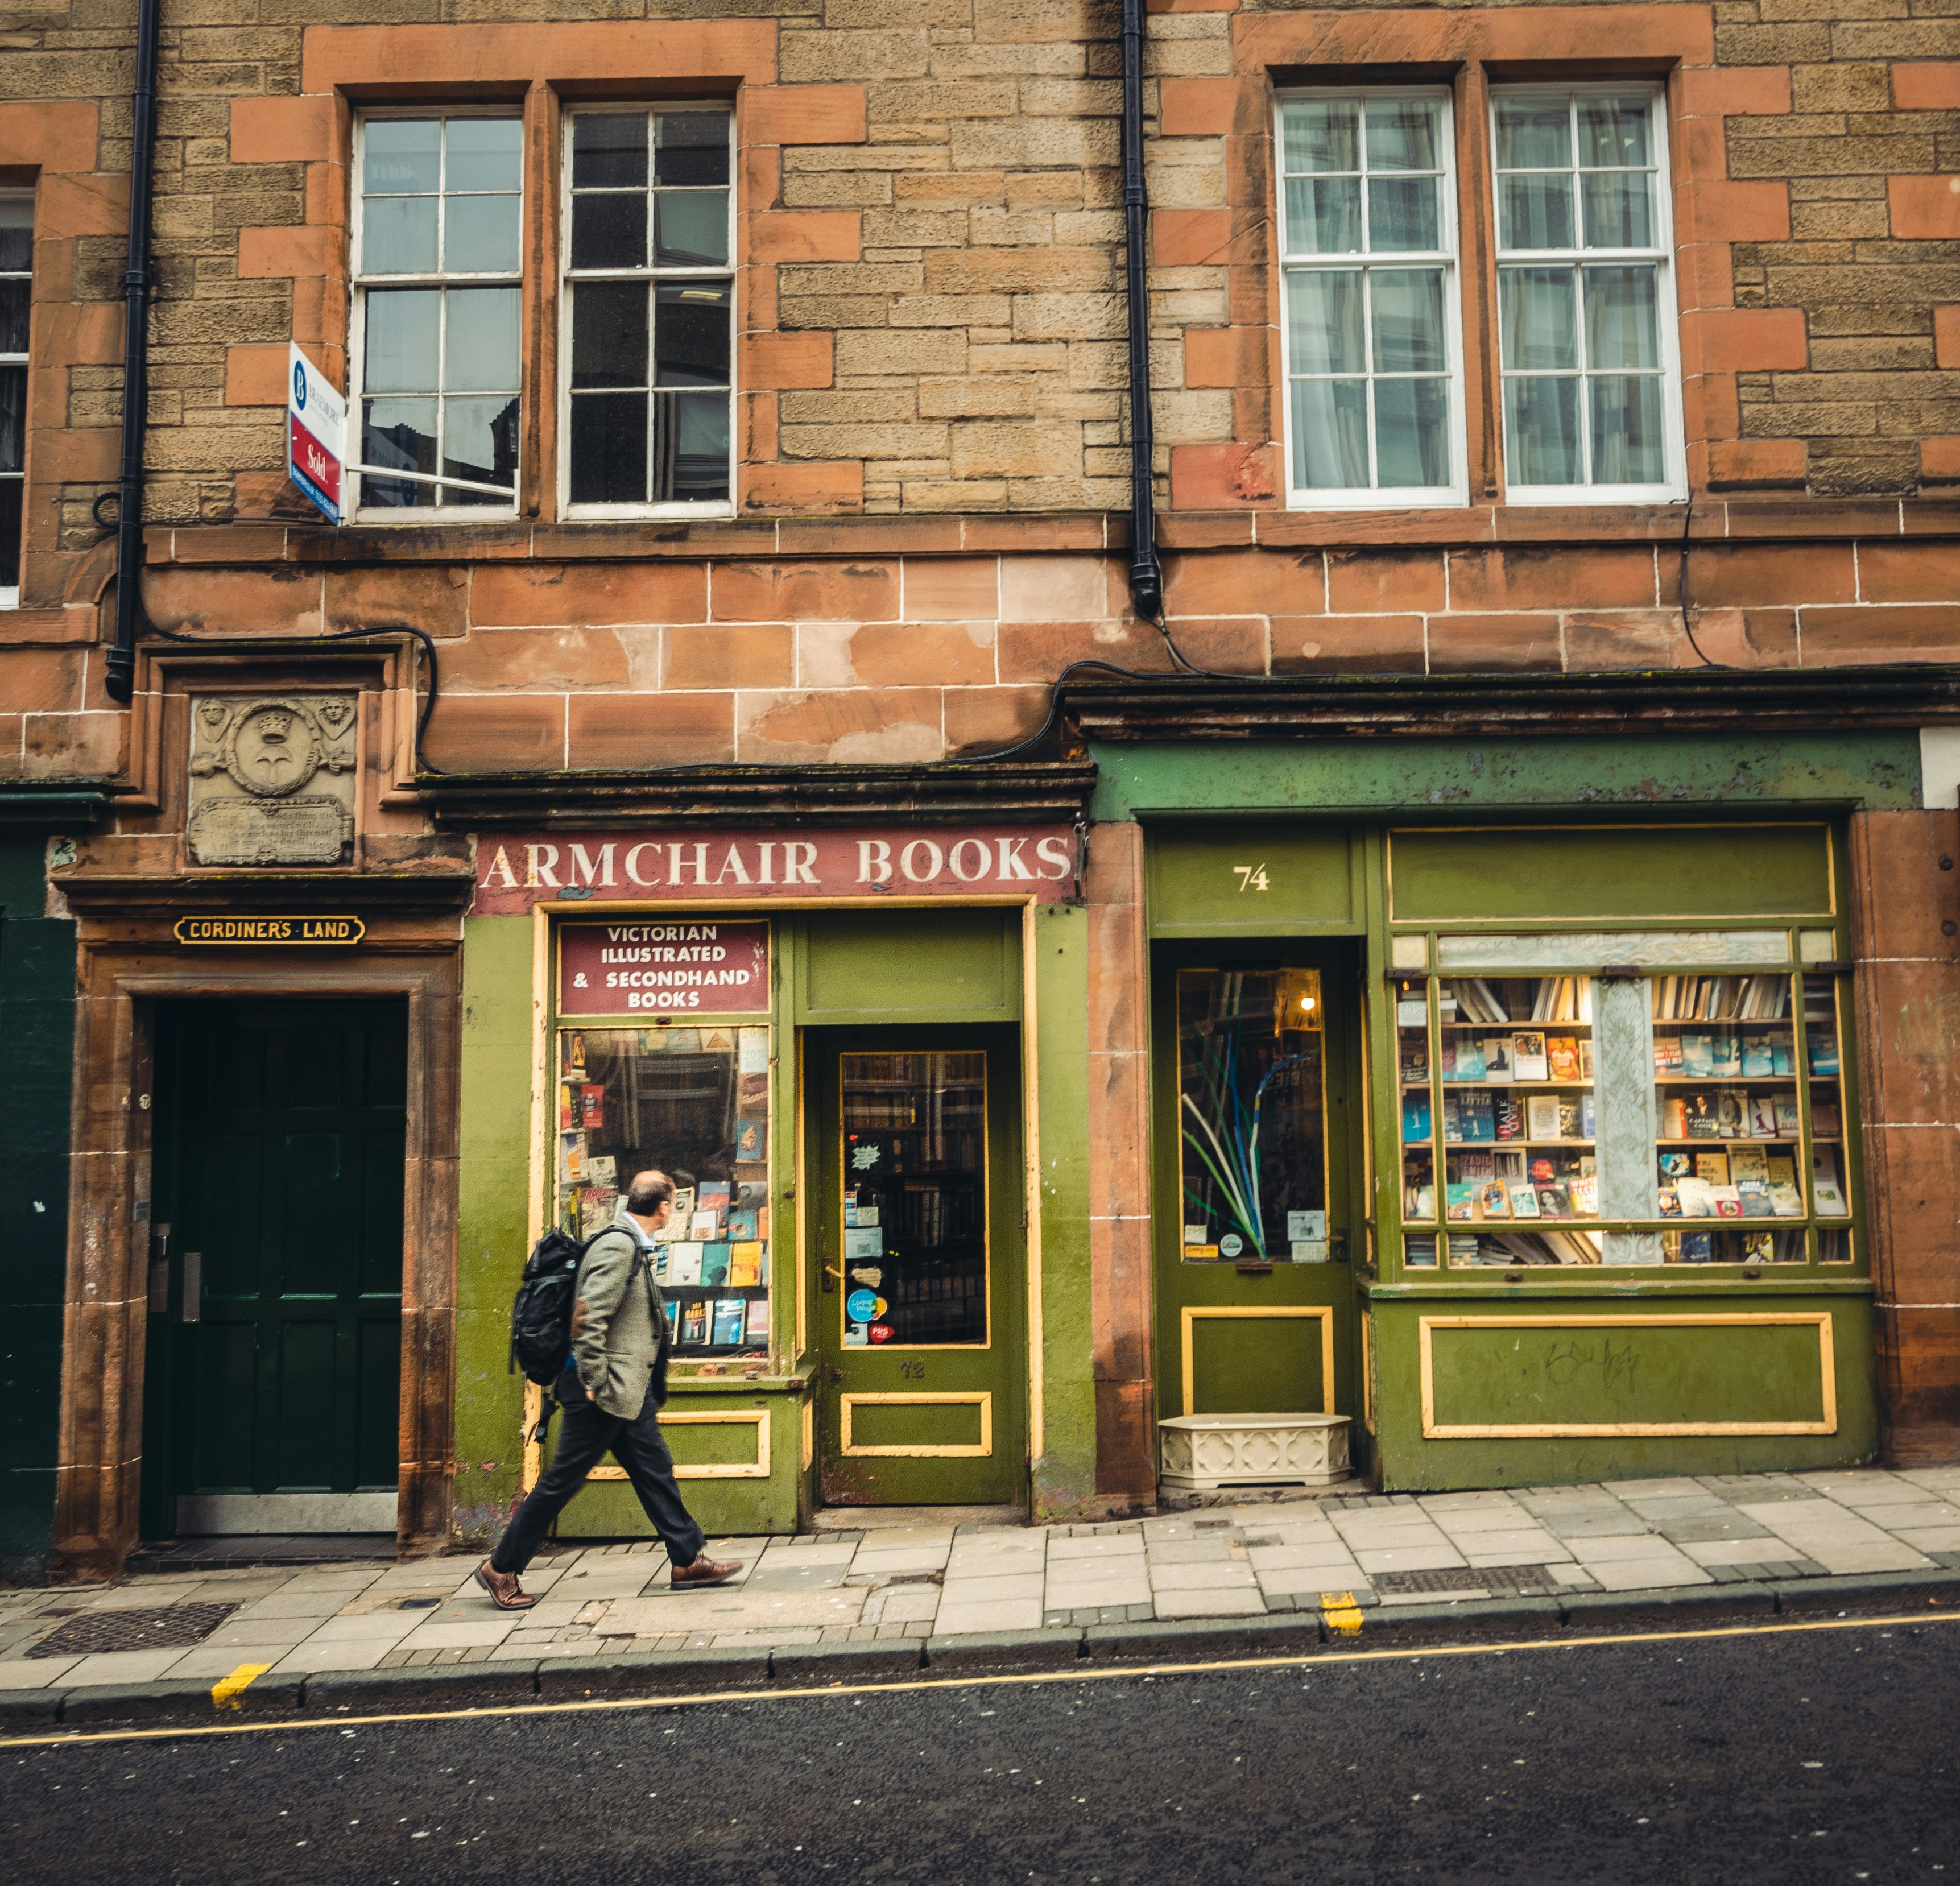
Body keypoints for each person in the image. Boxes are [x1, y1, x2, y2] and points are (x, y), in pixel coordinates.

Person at [477, 1169, 742, 1608]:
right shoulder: (619, 1246)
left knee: (655, 1469)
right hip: (599, 1390)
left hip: (626, 1389)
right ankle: (500, 1568)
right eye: (671, 1202)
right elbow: (587, 1318)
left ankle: (686, 1559)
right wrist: (595, 1381)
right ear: (665, 1207)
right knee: (563, 1481)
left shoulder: (631, 1243)